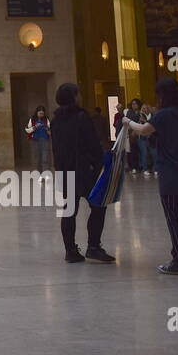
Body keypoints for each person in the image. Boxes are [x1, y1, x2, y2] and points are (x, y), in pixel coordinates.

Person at [122, 77, 178, 275]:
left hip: (172, 174)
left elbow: (145, 130)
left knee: (175, 217)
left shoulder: (165, 114)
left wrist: (128, 121)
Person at [50, 82, 112, 265]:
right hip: (83, 170)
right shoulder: (81, 117)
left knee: (69, 210)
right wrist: (100, 163)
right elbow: (92, 144)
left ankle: (70, 250)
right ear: (74, 96)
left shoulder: (55, 121)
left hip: (64, 169)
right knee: (98, 206)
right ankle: (93, 246)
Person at [24, 105, 52, 180]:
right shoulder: (32, 120)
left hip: (44, 140)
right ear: (36, 113)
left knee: (45, 157)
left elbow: (50, 132)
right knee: (36, 157)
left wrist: (47, 129)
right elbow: (27, 130)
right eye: (40, 113)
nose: (41, 115)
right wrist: (35, 127)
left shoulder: (46, 120)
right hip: (35, 140)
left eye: (42, 113)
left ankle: (45, 174)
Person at [124, 99, 145, 174]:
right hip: (131, 134)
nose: (134, 105)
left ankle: (141, 166)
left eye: (135, 104)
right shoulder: (129, 112)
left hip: (140, 133)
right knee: (133, 151)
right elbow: (128, 122)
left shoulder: (141, 112)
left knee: (142, 151)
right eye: (132, 104)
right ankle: (133, 166)